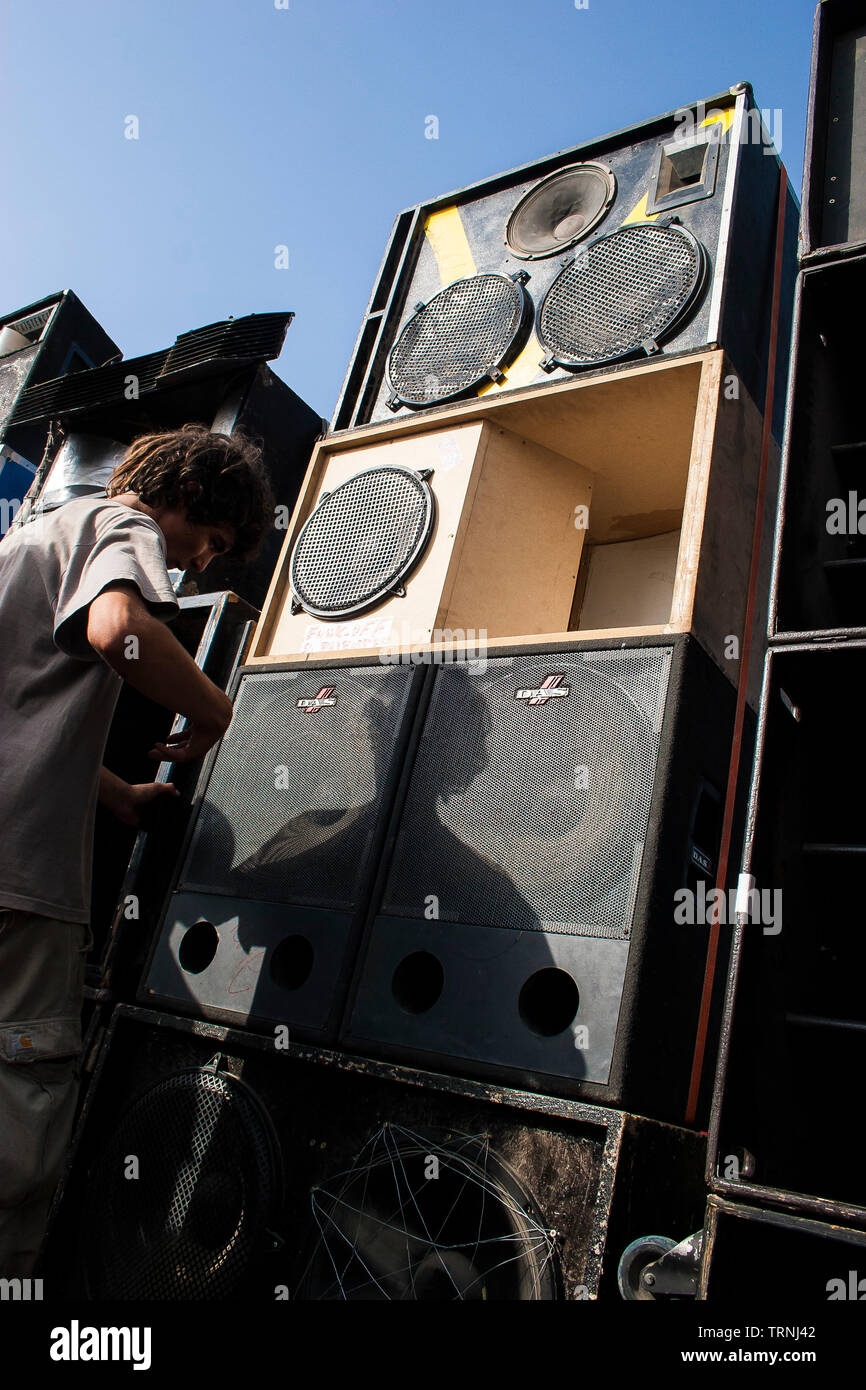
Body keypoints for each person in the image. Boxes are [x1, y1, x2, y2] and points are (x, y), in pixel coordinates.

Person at [0, 422, 273, 1277]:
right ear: (188, 495)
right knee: (19, 1113)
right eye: (212, 541)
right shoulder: (127, 527)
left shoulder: (25, 540)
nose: (196, 567)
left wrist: (118, 796)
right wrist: (218, 710)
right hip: (18, 888)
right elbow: (119, 629)